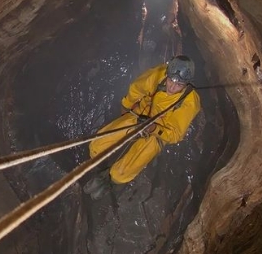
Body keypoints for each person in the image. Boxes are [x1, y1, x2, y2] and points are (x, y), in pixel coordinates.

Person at [85, 55, 201, 196]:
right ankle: (98, 166)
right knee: (96, 146)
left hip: (158, 133)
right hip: (140, 115)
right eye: (171, 80)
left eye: (179, 85)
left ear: (187, 84)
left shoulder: (190, 103)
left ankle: (111, 181)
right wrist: (126, 108)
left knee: (122, 173)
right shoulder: (158, 74)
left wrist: (153, 129)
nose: (172, 87)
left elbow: (175, 135)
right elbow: (136, 89)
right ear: (167, 75)